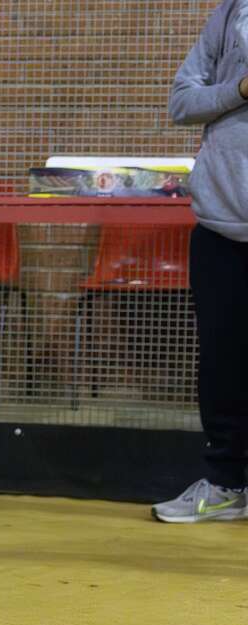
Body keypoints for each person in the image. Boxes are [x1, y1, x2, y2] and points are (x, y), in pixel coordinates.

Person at [155, 0, 248, 522]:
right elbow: (181, 102)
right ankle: (226, 485)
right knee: (222, 366)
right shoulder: (228, 14)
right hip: (219, 224)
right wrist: (238, 90)